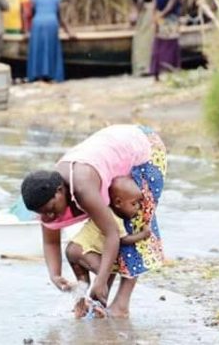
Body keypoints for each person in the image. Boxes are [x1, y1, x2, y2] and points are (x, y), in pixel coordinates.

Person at [20, 124, 166, 318]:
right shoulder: (46, 196)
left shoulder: (83, 188)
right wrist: (55, 275)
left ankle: (121, 304)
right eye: (43, 214)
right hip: (111, 149)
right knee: (100, 230)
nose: (50, 217)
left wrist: (101, 279)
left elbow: (112, 233)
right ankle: (98, 302)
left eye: (51, 211)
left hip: (144, 147)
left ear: (60, 191)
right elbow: (50, 240)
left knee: (132, 219)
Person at [67, 175, 152, 318]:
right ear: (118, 202)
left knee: (83, 283)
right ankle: (98, 306)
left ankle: (80, 307)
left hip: (73, 248)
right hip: (83, 250)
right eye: (134, 204)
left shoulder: (104, 210)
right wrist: (143, 234)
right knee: (106, 273)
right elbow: (123, 239)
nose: (138, 208)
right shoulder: (115, 218)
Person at [27, 0, 72, 83]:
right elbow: (59, 17)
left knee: (37, 48)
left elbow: (32, 13)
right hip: (52, 23)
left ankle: (36, 75)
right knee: (51, 48)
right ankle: (53, 75)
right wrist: (68, 31)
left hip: (38, 23)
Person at [151, 0, 181, 81]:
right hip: (170, 20)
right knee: (171, 44)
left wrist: (155, 17)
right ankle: (173, 70)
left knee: (159, 44)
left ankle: (156, 74)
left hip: (160, 20)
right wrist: (163, 14)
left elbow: (153, 5)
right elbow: (170, 6)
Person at [128, 0, 154, 77]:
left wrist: (135, 15)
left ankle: (144, 67)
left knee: (142, 39)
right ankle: (143, 66)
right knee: (143, 39)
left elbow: (140, 0)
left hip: (146, 13)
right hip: (146, 12)